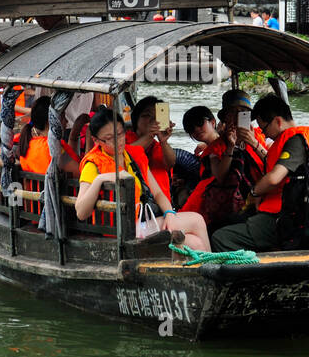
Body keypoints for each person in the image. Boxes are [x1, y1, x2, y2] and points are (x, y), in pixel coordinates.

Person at [74, 108, 210, 252]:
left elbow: (157, 193)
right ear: (96, 140)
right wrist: (100, 179)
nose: (118, 141)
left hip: (143, 223)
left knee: (196, 243)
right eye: (109, 138)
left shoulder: (133, 155)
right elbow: (81, 212)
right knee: (197, 220)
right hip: (124, 233)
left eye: (120, 134)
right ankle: (215, 268)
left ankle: (210, 269)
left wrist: (169, 213)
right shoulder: (93, 165)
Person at [210, 94, 309, 253]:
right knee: (223, 222)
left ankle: (248, 274)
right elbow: (274, 162)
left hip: (285, 215)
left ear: (277, 121)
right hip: (285, 210)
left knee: (219, 237)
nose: (264, 134)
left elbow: (273, 178)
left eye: (264, 128)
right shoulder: (304, 136)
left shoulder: (296, 139)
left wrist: (253, 192)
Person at [129, 95, 177, 200]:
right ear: (136, 119)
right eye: (147, 115)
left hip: (159, 204)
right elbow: (127, 155)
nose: (152, 120)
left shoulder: (156, 144)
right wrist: (150, 135)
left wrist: (164, 142)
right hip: (134, 200)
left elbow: (170, 163)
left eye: (156, 117)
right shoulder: (124, 139)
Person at [16, 94, 53, 174]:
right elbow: (78, 172)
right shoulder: (53, 147)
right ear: (50, 120)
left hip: (31, 186)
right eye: (62, 116)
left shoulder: (26, 144)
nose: (66, 121)